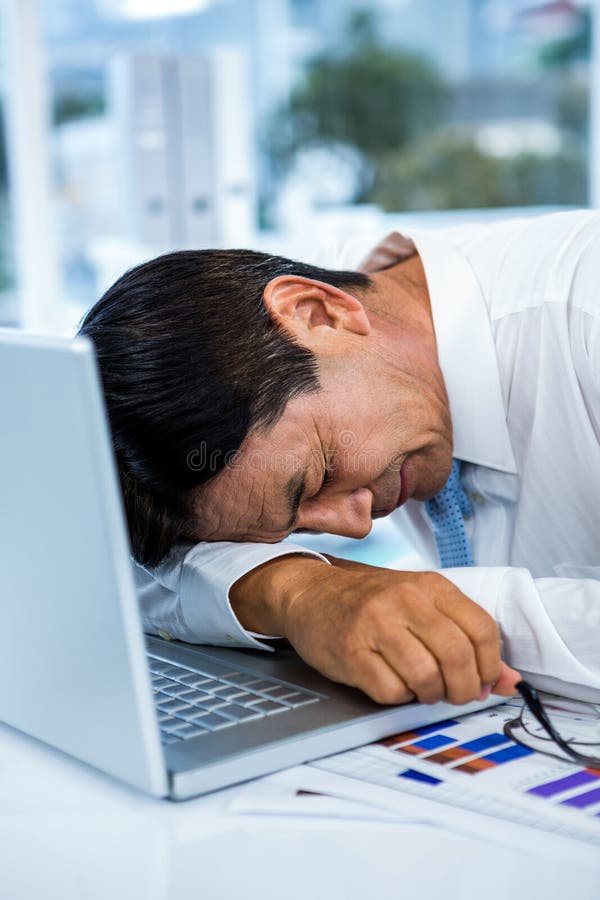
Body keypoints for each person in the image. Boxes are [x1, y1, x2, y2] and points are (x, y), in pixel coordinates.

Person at [79, 209, 600, 708]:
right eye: (297, 530)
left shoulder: (583, 310)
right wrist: (297, 589)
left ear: (319, 313)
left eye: (320, 474)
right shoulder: (311, 324)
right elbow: (135, 574)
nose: (357, 528)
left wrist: (421, 609)